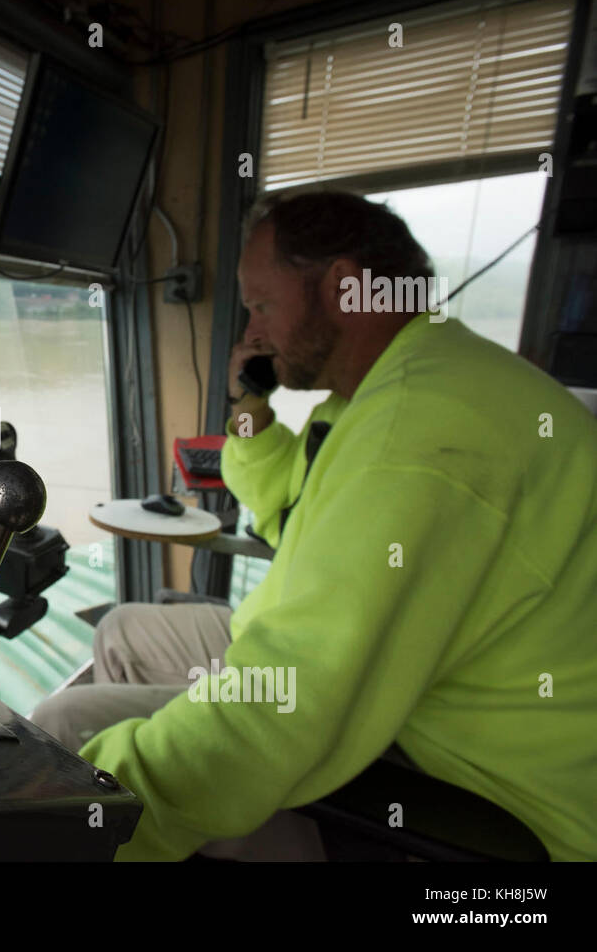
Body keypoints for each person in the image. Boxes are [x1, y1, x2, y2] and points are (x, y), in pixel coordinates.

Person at [30, 190, 597, 861]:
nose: (252, 332)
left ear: (345, 288)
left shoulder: (413, 437)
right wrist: (249, 404)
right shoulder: (384, 395)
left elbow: (288, 700)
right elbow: (282, 510)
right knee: (126, 628)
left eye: (262, 306)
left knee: (66, 730)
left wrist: (79, 821)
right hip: (410, 682)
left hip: (480, 791)